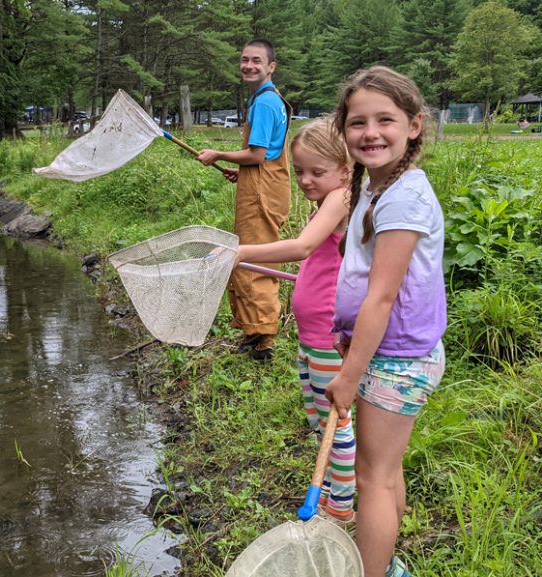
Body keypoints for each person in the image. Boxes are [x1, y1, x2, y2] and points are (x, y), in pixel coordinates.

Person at [326, 66, 447, 577]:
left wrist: (348, 377)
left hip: (397, 360)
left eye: (385, 120)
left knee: (371, 480)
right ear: (344, 130)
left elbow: (381, 298)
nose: (370, 132)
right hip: (389, 353)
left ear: (414, 125)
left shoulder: (405, 197)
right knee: (386, 469)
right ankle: (388, 564)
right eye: (357, 123)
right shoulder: (378, 188)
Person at [236, 116, 356, 524]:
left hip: (327, 337)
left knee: (336, 427)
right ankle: (329, 491)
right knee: (319, 419)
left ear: (346, 169)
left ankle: (340, 506)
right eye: (299, 170)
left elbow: (304, 248)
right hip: (310, 338)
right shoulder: (325, 201)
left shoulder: (342, 197)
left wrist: (241, 253)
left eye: (316, 172)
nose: (305, 180)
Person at [196, 39, 292, 361]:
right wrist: (243, 173)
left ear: (271, 67)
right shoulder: (268, 99)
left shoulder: (264, 103)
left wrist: (218, 154)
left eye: (256, 61)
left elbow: (257, 154)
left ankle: (264, 340)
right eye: (244, 60)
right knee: (254, 256)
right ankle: (255, 331)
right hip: (264, 183)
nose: (248, 66)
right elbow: (266, 157)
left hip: (263, 192)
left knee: (253, 261)